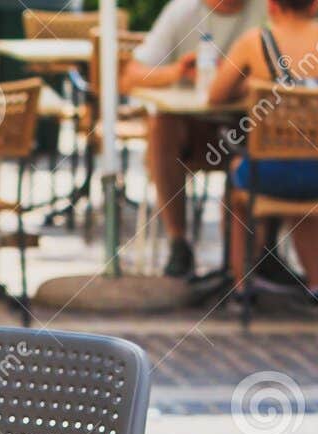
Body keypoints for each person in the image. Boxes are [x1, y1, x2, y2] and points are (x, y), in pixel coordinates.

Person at [123, 0, 268, 276]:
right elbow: (130, 77)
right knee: (161, 126)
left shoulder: (268, 10)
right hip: (195, 131)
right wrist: (176, 71)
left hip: (248, 125)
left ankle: (258, 256)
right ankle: (179, 243)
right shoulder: (183, 11)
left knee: (273, 127)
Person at [209, 0, 318, 290]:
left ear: (271, 6)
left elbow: (215, 96)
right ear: (315, 5)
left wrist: (249, 85)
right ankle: (316, 285)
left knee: (237, 172)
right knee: (305, 171)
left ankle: (241, 285)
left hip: (268, 178)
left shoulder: (255, 42)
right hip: (316, 177)